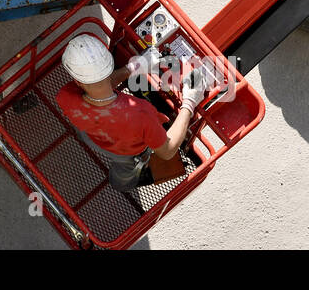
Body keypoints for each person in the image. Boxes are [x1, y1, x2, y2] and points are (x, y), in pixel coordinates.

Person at [54, 34, 205, 191]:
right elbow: (167, 151)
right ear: (109, 64)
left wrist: (133, 67)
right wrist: (189, 103)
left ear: (77, 81)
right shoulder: (141, 113)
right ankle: (122, 184)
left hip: (93, 138)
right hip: (126, 152)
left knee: (116, 166)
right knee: (126, 169)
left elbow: (97, 86)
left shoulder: (65, 97)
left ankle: (120, 181)